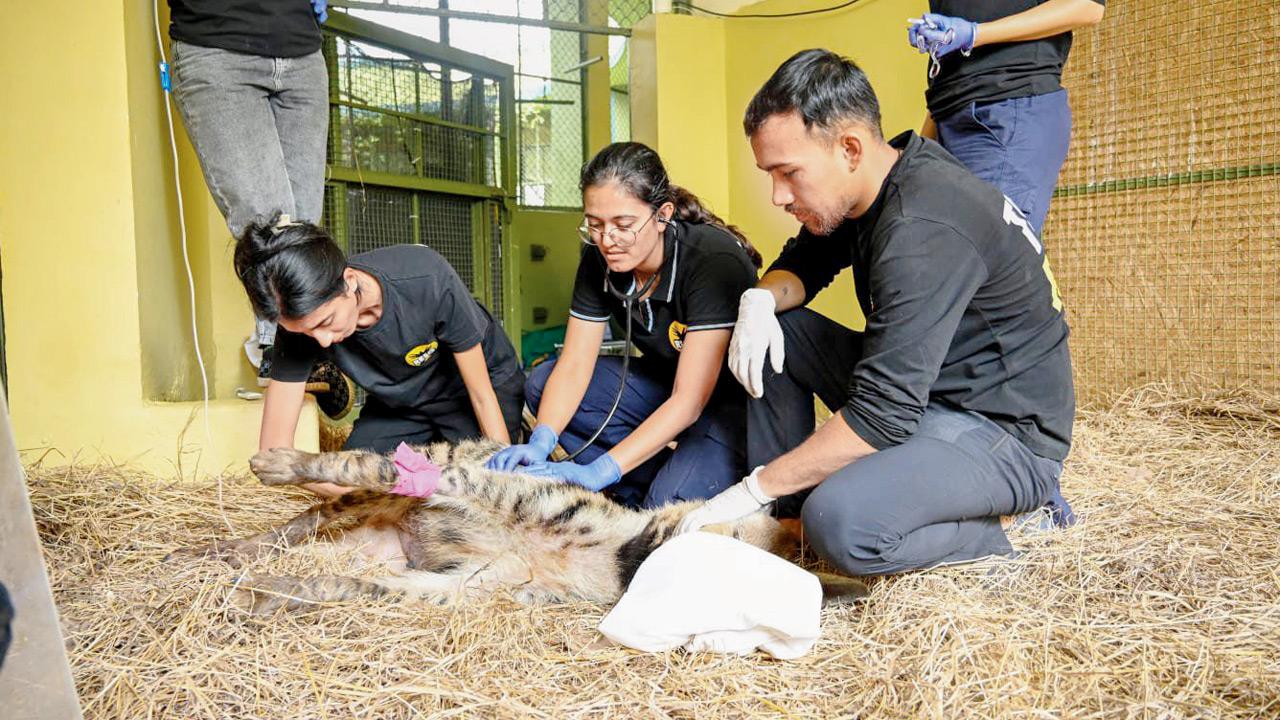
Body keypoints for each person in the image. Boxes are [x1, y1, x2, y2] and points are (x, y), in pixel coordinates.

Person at [679, 50, 1076, 577]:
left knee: (845, 524)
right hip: (932, 395)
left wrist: (753, 488)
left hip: (1002, 429)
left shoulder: (921, 226)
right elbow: (807, 260)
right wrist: (760, 300)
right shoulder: (880, 177)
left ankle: (1014, 523)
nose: (778, 195)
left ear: (848, 148)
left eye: (788, 173)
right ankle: (788, 520)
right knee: (784, 332)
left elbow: (884, 413)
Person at [487, 142, 762, 509]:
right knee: (542, 382)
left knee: (667, 506)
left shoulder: (713, 259)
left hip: (728, 405)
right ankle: (646, 474)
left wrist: (599, 471)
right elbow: (573, 367)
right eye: (595, 225)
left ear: (663, 215)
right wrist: (541, 441)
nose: (606, 240)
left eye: (623, 225)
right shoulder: (598, 258)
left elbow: (689, 400)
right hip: (668, 384)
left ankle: (668, 476)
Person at [235, 215, 525, 497]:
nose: (321, 340)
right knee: (359, 484)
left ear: (349, 281)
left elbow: (482, 396)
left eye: (326, 322)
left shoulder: (425, 277)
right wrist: (353, 492)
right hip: (399, 403)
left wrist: (502, 477)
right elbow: (273, 453)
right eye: (306, 332)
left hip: (469, 391)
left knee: (474, 485)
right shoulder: (301, 326)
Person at [168, 0, 331, 382]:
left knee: (305, 233)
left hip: (302, 50)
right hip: (218, 46)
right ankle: (280, 351)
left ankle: (298, 350)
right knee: (274, 232)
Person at [909, 0, 1106, 234]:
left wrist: (976, 33)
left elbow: (1087, 6)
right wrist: (926, 146)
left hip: (1008, 109)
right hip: (948, 118)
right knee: (941, 252)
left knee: (984, 253)